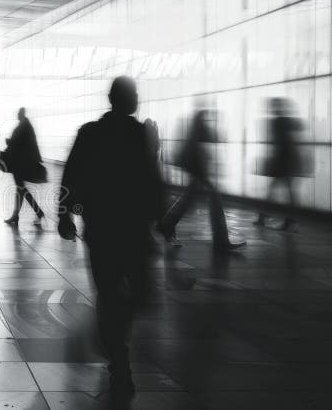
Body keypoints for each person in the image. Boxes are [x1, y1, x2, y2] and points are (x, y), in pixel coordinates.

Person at [58, 76, 163, 409]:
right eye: (134, 94)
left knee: (110, 292)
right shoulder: (138, 134)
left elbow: (72, 174)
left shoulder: (92, 133)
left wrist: (66, 213)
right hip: (130, 228)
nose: (137, 98)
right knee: (134, 292)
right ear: (122, 99)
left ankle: (113, 341)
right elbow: (151, 178)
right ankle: (118, 356)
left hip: (101, 227)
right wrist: (157, 217)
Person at [158, 104, 246, 253]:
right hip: (200, 171)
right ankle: (221, 241)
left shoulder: (196, 126)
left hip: (198, 171)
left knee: (190, 199)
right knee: (210, 200)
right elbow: (215, 138)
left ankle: (166, 224)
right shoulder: (200, 126)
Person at [255, 98, 303, 230]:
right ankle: (287, 220)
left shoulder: (277, 122)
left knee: (277, 191)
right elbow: (294, 133)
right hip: (287, 160)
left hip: (283, 161)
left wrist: (275, 160)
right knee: (288, 192)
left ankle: (265, 217)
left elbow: (279, 142)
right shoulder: (285, 121)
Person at [3, 107, 46, 225]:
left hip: (20, 163)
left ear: (22, 114)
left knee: (21, 189)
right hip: (21, 162)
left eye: (18, 113)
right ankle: (22, 215)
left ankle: (32, 213)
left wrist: (9, 141)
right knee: (21, 189)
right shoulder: (26, 125)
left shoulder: (24, 126)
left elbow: (17, 143)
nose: (17, 114)